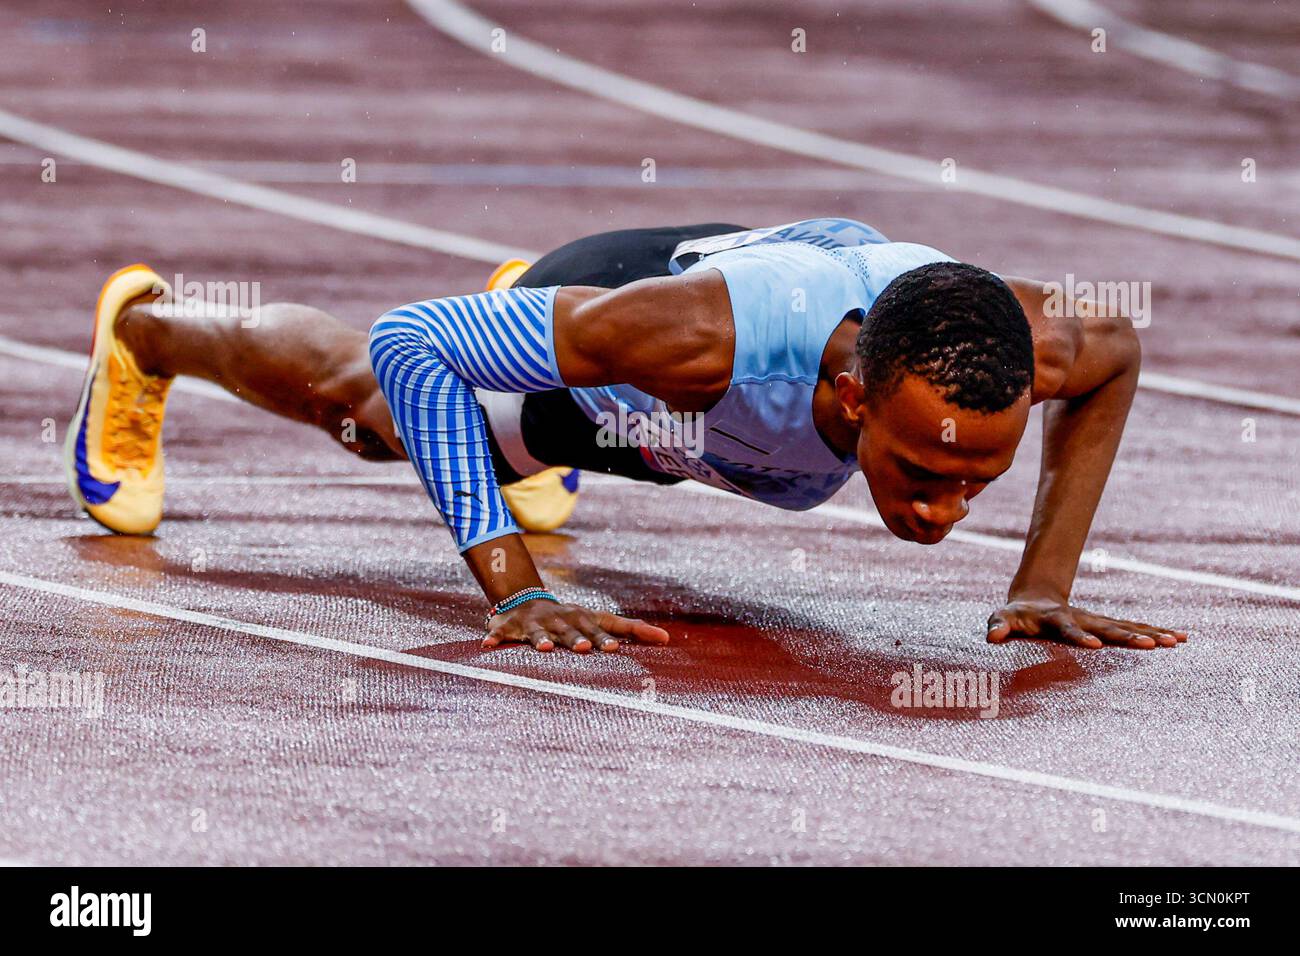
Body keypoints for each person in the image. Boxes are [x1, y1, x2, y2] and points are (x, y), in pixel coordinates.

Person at [67, 219, 1186, 654]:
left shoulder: (1025, 347)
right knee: (368, 404)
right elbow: (415, 341)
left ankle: (535, 349)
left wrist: (1040, 578)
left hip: (652, 406)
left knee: (514, 402)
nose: (943, 516)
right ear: (850, 392)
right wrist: (510, 585)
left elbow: (1119, 352)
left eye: (973, 484)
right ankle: (148, 329)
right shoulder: (704, 341)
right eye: (923, 475)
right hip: (619, 333)